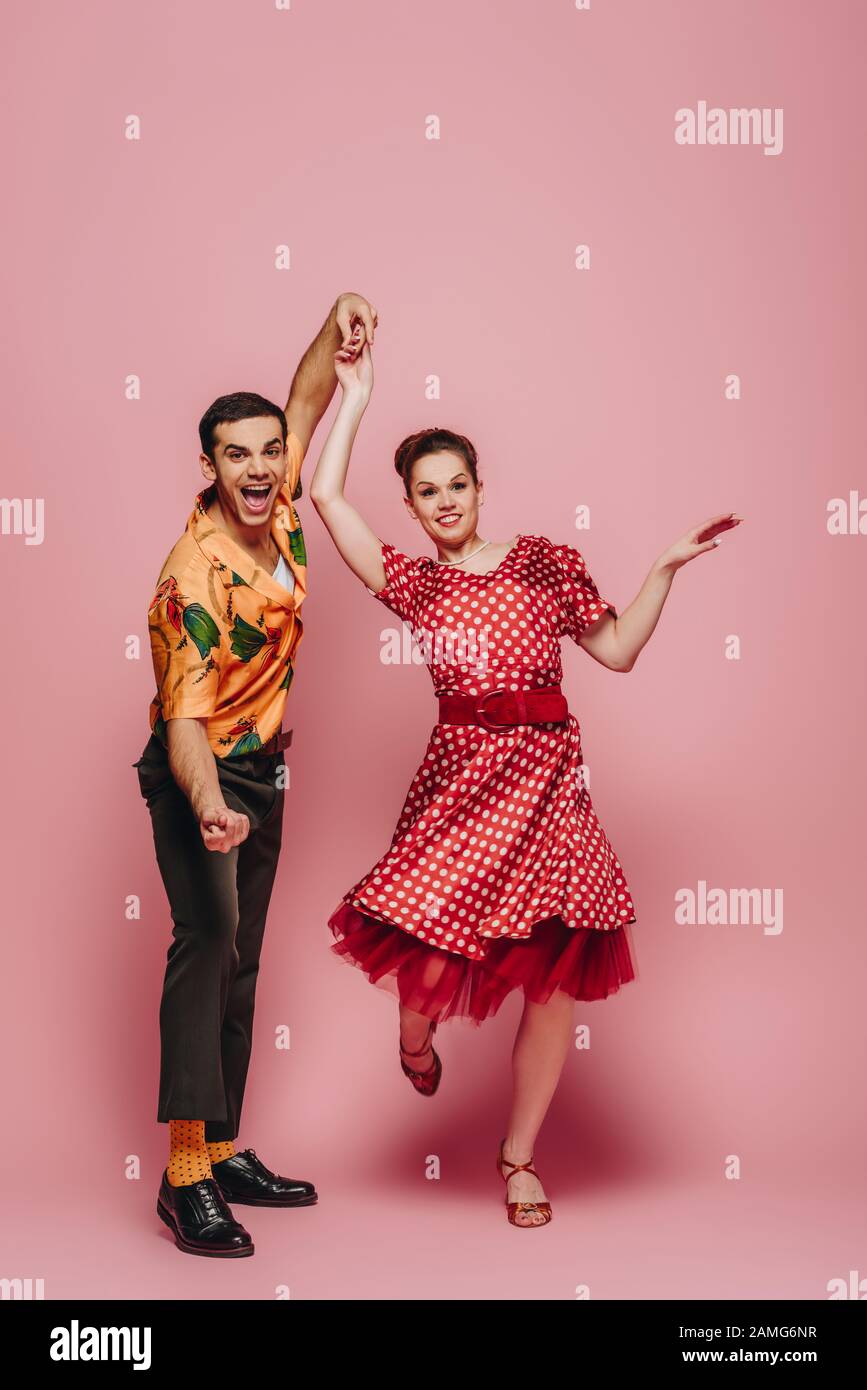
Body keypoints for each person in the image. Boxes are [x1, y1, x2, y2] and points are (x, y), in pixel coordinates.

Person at [309, 337, 742, 1229]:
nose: (442, 503)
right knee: (426, 955)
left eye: (454, 484)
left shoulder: (543, 562)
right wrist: (355, 395)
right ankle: (413, 1033)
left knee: (550, 978)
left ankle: (518, 1159)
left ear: (478, 484)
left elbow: (615, 653)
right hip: (461, 784)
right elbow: (322, 495)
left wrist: (660, 569)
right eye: (424, 492)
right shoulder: (415, 582)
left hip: (549, 786)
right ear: (411, 504)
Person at [133, 293, 378, 1257]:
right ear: (209, 465)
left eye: (270, 451)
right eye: (238, 454)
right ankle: (183, 1178)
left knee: (243, 960)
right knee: (207, 946)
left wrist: (335, 320)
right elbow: (184, 721)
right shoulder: (188, 578)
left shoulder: (280, 525)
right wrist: (207, 808)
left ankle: (225, 1146)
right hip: (200, 777)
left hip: (264, 773)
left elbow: (306, 400)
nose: (262, 467)